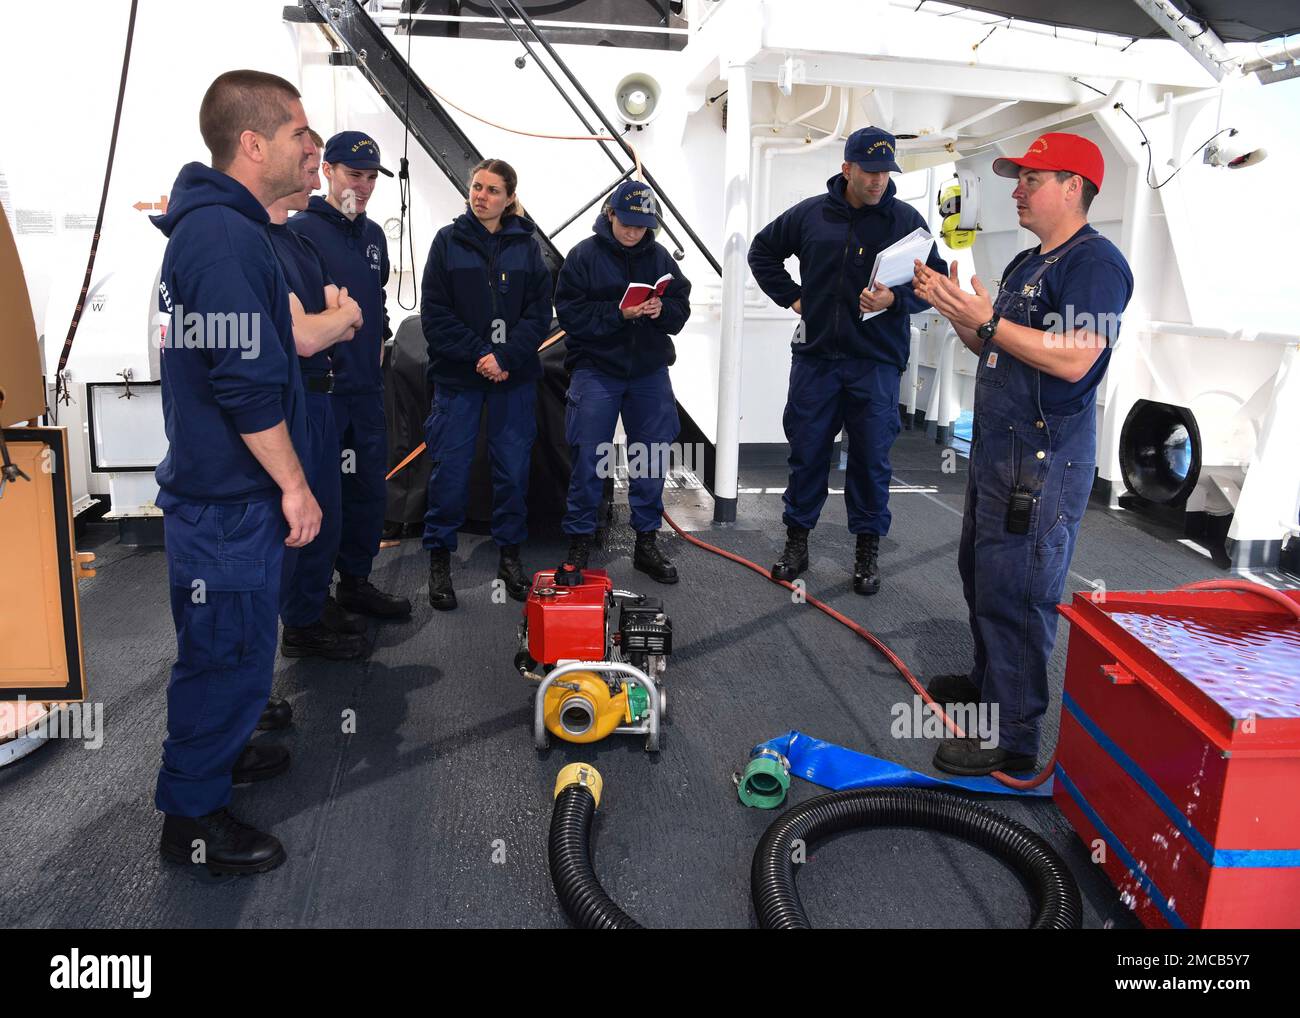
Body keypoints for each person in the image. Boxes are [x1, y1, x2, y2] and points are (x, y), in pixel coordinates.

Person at [912, 132, 1133, 775]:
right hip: (998, 451)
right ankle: (988, 694)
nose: (1016, 189)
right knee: (982, 576)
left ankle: (1011, 735)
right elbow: (995, 345)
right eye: (1017, 179)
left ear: (1074, 187)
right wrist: (954, 308)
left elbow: (1076, 357)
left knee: (1020, 592)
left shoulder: (1093, 265)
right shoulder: (1026, 263)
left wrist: (984, 322)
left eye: (1030, 180)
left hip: (1042, 461)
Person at [151, 69, 319, 874]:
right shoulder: (220, 238)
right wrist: (293, 483)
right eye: (298, 133)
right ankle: (192, 820)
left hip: (223, 494)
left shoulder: (224, 228)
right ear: (252, 144)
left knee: (239, 649)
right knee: (223, 656)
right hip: (227, 501)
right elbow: (244, 384)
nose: (310, 145)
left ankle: (219, 755)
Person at [749, 126, 948, 594]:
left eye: (886, 171)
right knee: (807, 453)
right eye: (870, 171)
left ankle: (866, 551)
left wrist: (894, 302)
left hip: (875, 363)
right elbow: (763, 250)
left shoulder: (905, 221)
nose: (879, 180)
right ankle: (797, 544)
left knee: (871, 460)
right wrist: (793, 298)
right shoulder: (810, 216)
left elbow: (933, 282)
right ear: (847, 169)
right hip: (816, 359)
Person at [420, 158, 554, 609]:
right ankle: (440, 557)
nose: (481, 196)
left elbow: (539, 315)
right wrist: (481, 354)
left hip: (512, 379)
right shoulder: (447, 242)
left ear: (510, 198)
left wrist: (506, 357)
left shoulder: (527, 248)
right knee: (450, 472)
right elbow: (435, 315)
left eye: (492, 190)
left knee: (512, 472)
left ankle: (510, 557)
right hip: (460, 378)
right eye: (476, 187)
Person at [288, 131, 411, 620]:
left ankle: (356, 582)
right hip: (322, 393)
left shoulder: (374, 236)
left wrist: (379, 341)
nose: (360, 186)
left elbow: (375, 299)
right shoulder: (302, 233)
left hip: (366, 388)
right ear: (328, 173)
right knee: (323, 500)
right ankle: (309, 609)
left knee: (366, 493)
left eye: (369, 177)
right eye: (352, 175)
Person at [555, 180, 692, 581]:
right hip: (596, 370)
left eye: (643, 225)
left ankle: (646, 543)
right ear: (610, 213)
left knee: (649, 459)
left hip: (649, 372)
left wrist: (659, 309)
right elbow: (570, 316)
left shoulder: (662, 256)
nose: (635, 232)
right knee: (588, 459)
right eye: (628, 223)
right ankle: (579, 543)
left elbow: (680, 310)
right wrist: (620, 314)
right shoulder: (582, 256)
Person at [267, 128, 369, 658]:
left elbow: (342, 309)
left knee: (324, 514)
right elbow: (308, 335)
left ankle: (307, 618)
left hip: (323, 396)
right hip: (292, 400)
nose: (313, 164)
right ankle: (292, 629)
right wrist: (336, 318)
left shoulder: (298, 241)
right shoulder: (257, 242)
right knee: (291, 526)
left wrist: (335, 317)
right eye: (306, 156)